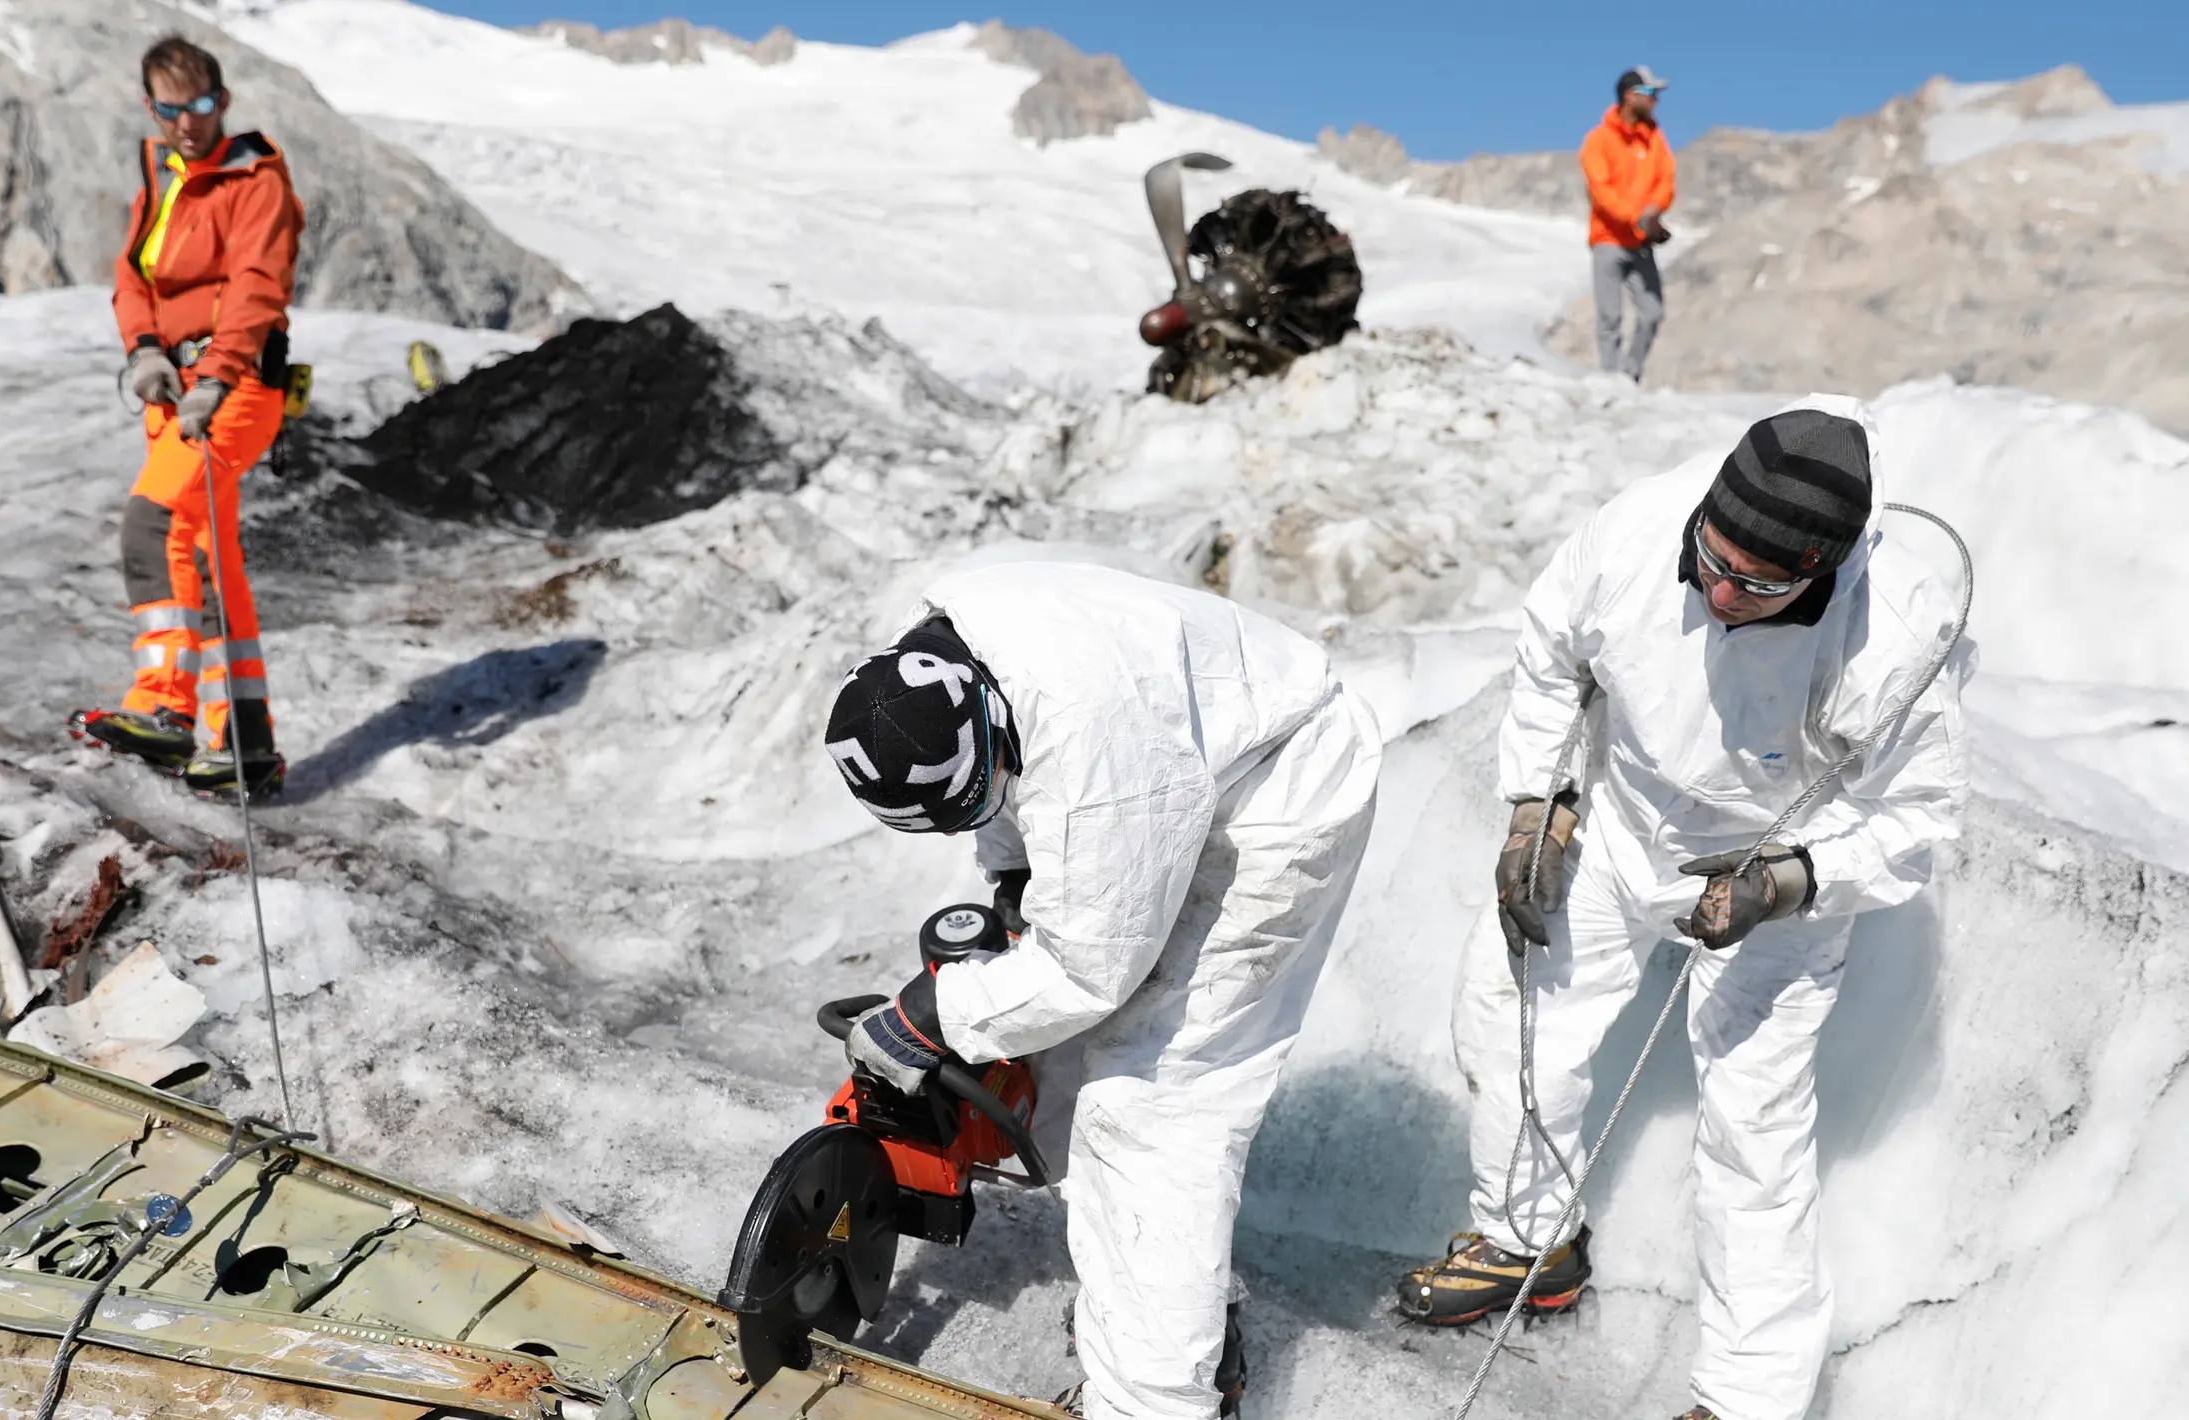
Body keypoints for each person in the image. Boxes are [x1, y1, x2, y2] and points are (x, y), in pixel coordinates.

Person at [1395, 398, 1970, 1420]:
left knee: (1751, 1128)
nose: (1715, 588)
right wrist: (1538, 808)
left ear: (1817, 573)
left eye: (1751, 584)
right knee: (1509, 1015)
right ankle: (1531, 1241)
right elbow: (1546, 663)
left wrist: (1782, 884)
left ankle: (1747, 1398)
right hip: (1624, 826)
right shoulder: (1630, 531)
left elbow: (1914, 823)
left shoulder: (1895, 635)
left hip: (1782, 863)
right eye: (1707, 558)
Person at [823, 562, 1383, 1420]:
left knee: (1153, 1099)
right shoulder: (930, 666)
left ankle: (1159, 1400)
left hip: (1276, 790)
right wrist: (1011, 886)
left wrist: (941, 1012)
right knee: (1064, 1060)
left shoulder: (1098, 748)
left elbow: (1092, 967)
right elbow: (1018, 799)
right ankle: (1171, 1304)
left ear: (989, 720)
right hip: (1173, 763)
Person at [68, 35, 302, 796]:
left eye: (200, 106)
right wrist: (143, 349)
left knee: (154, 523)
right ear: (153, 110)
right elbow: (133, 274)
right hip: (177, 391)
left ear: (223, 101)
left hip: (231, 389)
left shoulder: (253, 177)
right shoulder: (162, 176)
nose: (187, 123)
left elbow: (257, 285)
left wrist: (219, 377)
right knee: (208, 553)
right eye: (171, 110)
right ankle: (243, 738)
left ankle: (165, 710)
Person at [1582, 65, 1676, 382]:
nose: (1655, 101)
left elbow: (1666, 180)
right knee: (1611, 315)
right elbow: (1601, 192)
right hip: (1608, 240)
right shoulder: (1598, 141)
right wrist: (1638, 218)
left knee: (1652, 312)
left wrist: (1653, 211)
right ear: (1629, 95)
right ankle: (1611, 379)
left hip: (1641, 243)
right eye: (1650, 93)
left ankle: (1629, 375)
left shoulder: (1654, 140)